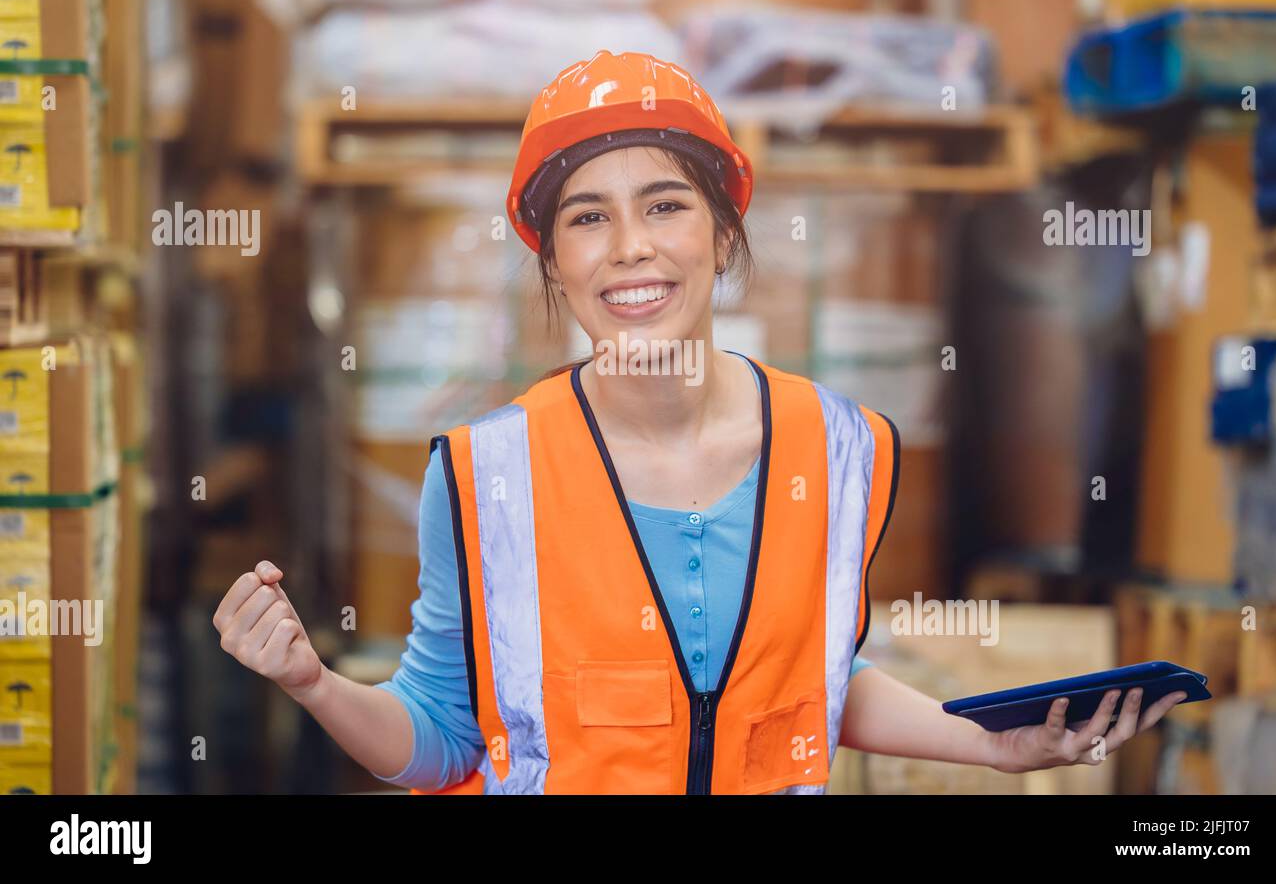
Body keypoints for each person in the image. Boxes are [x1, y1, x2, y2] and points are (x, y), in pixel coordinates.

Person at [213, 50, 1187, 794]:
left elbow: (808, 681)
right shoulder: (484, 473)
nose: (630, 249)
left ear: (723, 232)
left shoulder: (839, 447)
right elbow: (439, 734)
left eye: (664, 204)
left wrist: (992, 741)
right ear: (553, 261)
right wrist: (313, 682)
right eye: (586, 218)